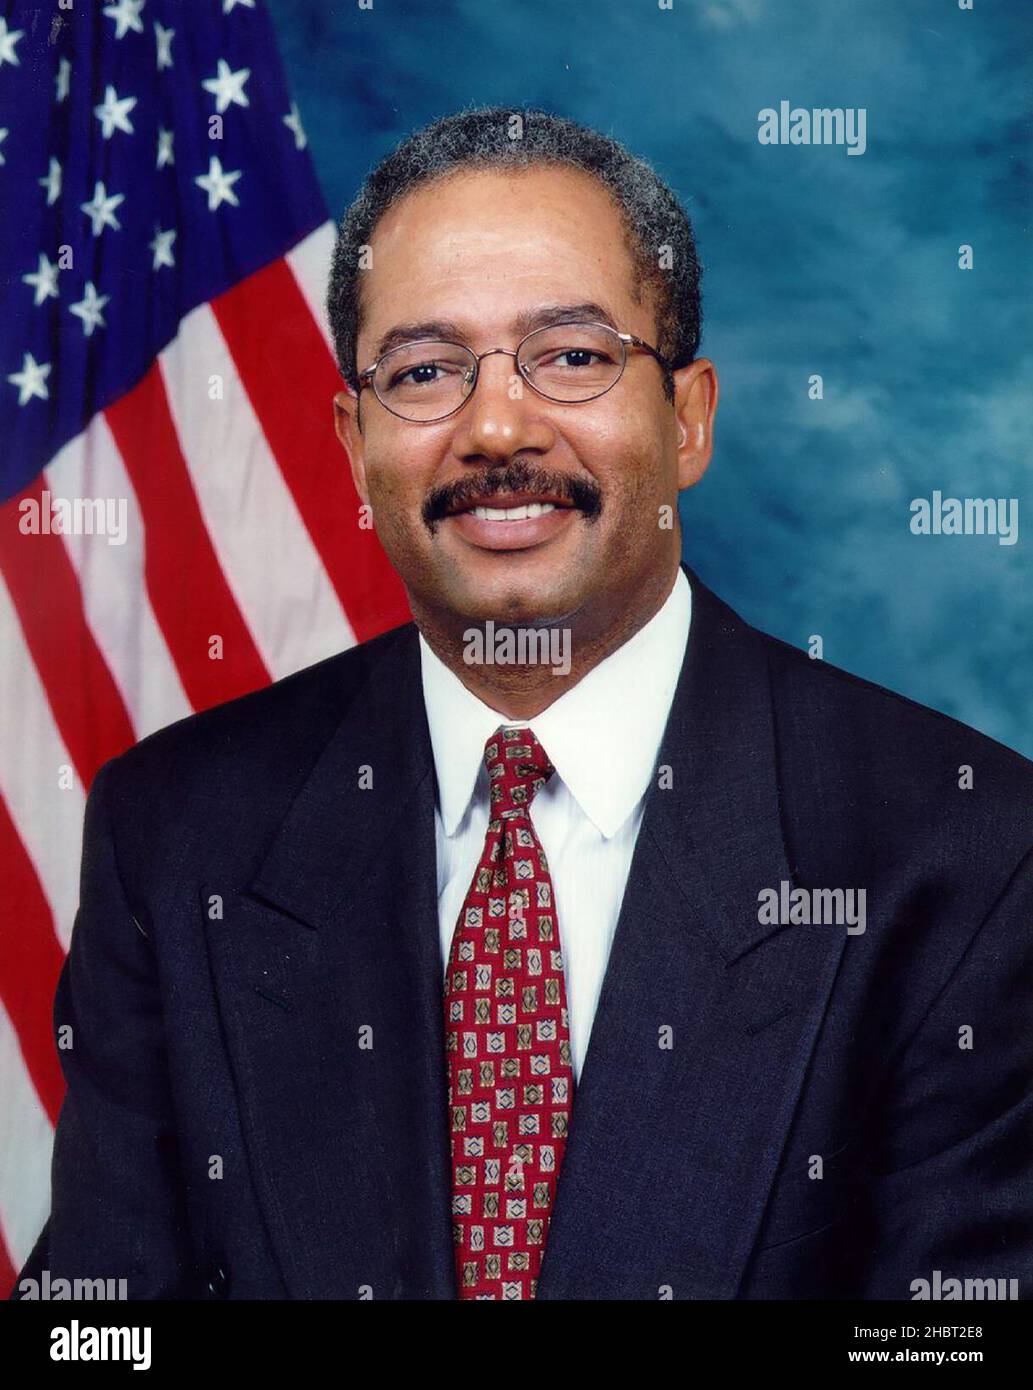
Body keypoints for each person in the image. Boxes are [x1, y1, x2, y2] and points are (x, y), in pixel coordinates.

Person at [15, 107, 1033, 1301]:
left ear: (689, 416)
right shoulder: (175, 831)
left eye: (572, 354)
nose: (496, 427)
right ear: (351, 443)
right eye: (426, 371)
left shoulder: (968, 849)